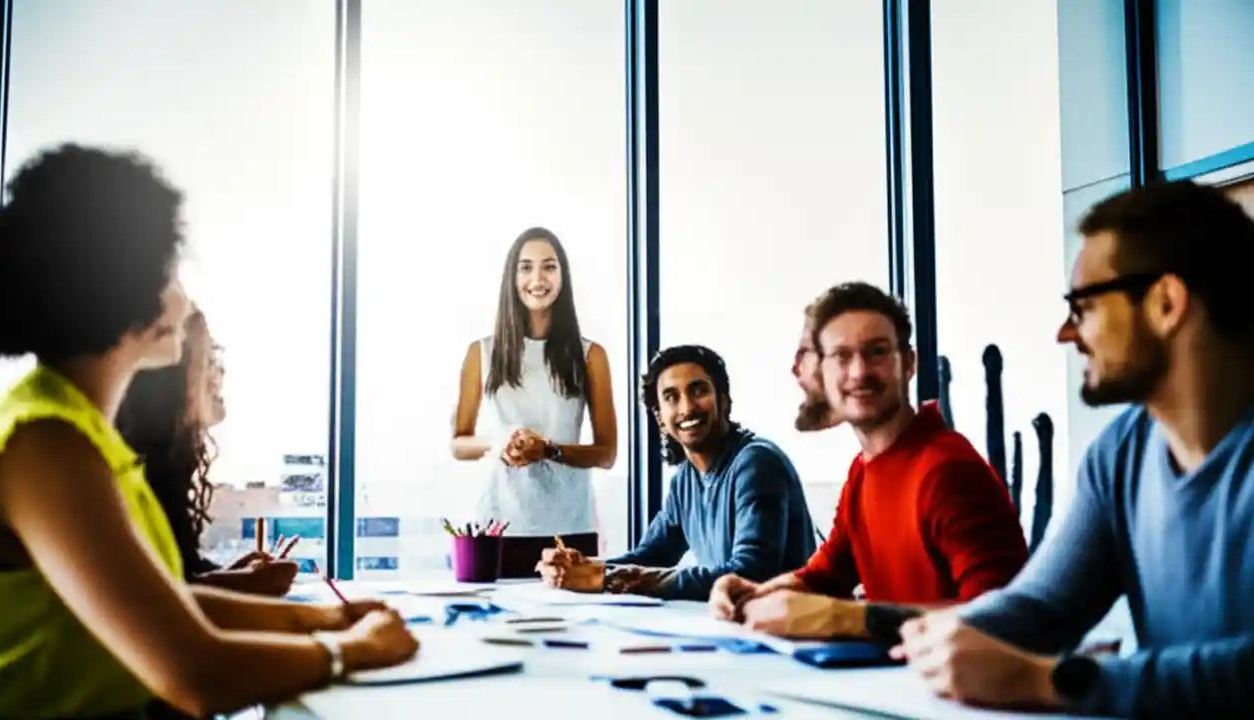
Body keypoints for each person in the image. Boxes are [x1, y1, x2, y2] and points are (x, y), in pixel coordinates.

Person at [0, 145, 415, 718]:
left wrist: (327, 616)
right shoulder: (45, 447)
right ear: (126, 291)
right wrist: (348, 651)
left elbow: (167, 605)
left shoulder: (66, 426)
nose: (184, 302)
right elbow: (195, 673)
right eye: (171, 274)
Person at [894, 180, 1254, 717]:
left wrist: (1051, 681)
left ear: (1165, 303)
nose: (1067, 333)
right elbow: (1043, 606)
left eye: (1081, 305)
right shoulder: (1120, 453)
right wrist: (938, 640)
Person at [710, 282, 1028, 638]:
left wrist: (846, 617)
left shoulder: (947, 470)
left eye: (877, 352)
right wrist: (749, 594)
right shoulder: (864, 470)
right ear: (822, 372)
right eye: (842, 356)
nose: (859, 372)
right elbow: (824, 576)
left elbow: (1004, 617)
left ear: (908, 363)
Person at [537, 345, 817, 600]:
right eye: (671, 397)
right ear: (659, 416)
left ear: (724, 401)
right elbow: (652, 555)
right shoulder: (686, 478)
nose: (687, 407)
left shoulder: (756, 463)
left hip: (785, 636)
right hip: (738, 627)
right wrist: (581, 567)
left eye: (699, 391)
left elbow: (749, 573)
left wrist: (609, 578)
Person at [451, 227, 618, 578]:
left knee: (571, 630)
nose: (537, 278)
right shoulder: (481, 353)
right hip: (497, 528)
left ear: (563, 277)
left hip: (569, 529)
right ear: (512, 278)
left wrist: (548, 450)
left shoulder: (590, 356)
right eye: (526, 267)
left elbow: (606, 453)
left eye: (549, 267)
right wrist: (500, 442)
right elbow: (459, 442)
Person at [117, 309, 300, 597]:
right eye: (209, 361)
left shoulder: (165, 468)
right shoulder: (134, 476)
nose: (220, 374)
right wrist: (245, 585)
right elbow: (145, 601)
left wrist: (228, 577)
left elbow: (171, 578)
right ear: (172, 383)